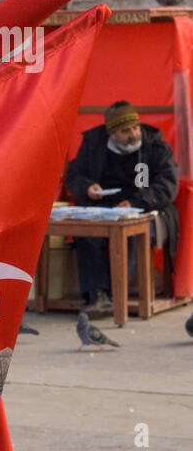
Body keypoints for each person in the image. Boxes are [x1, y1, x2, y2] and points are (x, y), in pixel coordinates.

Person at [65, 100, 180, 314]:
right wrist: (88, 187)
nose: (134, 134)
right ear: (112, 134)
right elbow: (74, 175)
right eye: (125, 131)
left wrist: (136, 202)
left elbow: (167, 185)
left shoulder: (155, 147)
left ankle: (122, 293)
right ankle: (98, 294)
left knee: (132, 234)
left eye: (135, 127)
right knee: (88, 234)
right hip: (104, 207)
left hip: (145, 208)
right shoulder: (93, 144)